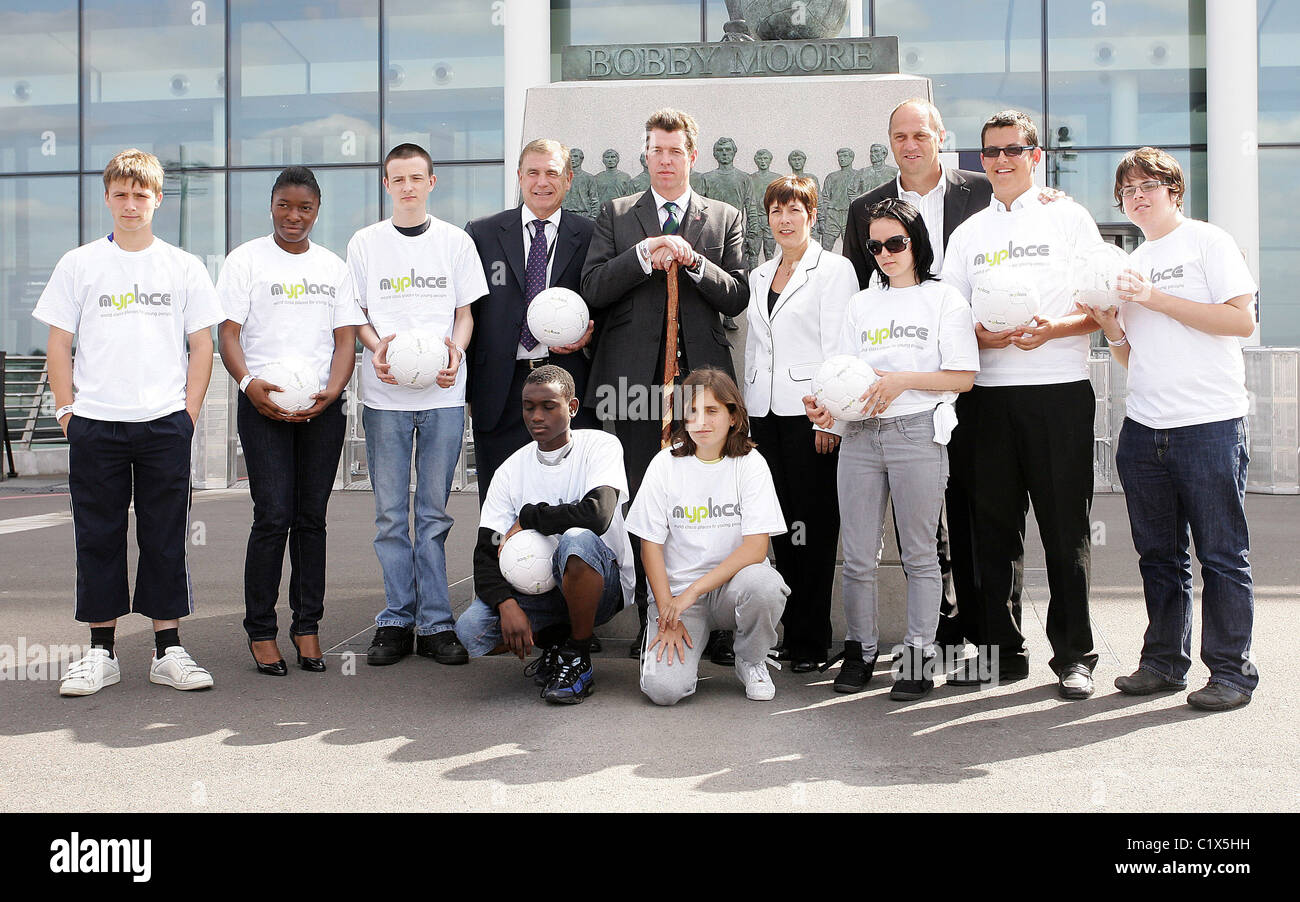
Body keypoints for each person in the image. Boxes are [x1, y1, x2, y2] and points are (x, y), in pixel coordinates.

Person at [36, 148, 224, 697]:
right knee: (99, 535)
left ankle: (168, 650)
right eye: (120, 194)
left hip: (164, 422)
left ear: (158, 199)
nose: (131, 204)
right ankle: (101, 651)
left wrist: (187, 415)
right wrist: (67, 411)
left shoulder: (183, 266)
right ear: (107, 198)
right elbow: (60, 341)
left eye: (141, 194)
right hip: (95, 424)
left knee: (165, 538)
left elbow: (201, 344)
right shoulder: (79, 264)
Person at [1080, 147, 1259, 711]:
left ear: (1174, 190)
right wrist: (1112, 326)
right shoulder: (1132, 259)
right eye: (1127, 188)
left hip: (1209, 424)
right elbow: (1138, 358)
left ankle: (1231, 672)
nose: (1137, 194)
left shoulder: (1208, 241)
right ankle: (1163, 662)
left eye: (1148, 184)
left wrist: (1154, 298)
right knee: (1159, 557)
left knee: (1222, 554)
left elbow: (1241, 320)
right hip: (1145, 427)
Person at [941, 109, 1106, 699]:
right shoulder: (967, 235)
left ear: (1036, 155)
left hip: (1058, 394)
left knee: (1066, 531)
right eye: (991, 152)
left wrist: (1054, 329)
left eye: (1013, 149)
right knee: (992, 536)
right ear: (980, 161)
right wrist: (985, 337)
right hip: (985, 401)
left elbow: (1103, 309)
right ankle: (1000, 654)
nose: (1002, 160)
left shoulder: (1070, 218)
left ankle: (1075, 655)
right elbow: (950, 320)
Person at [581, 107, 749, 660]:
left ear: (692, 156)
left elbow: (738, 295)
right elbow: (594, 289)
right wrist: (641, 257)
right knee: (647, 501)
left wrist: (694, 261)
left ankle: (718, 623)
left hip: (702, 389)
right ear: (645, 155)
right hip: (633, 388)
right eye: (656, 149)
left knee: (712, 498)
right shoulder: (616, 214)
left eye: (676, 150)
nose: (666, 159)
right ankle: (650, 615)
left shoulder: (722, 217)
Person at [805, 199, 978, 699]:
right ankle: (859, 650)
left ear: (916, 241)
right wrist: (828, 414)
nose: (885, 253)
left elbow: (963, 377)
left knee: (920, 554)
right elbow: (842, 375)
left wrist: (902, 381)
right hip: (860, 436)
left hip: (918, 432)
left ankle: (919, 655)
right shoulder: (862, 303)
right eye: (874, 246)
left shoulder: (944, 300)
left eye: (895, 242)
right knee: (857, 555)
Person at [217, 165, 365, 675]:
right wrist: (247, 385)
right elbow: (229, 333)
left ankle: (307, 626)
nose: (294, 216)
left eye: (304, 208)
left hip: (322, 407)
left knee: (311, 519)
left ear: (317, 211)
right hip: (264, 406)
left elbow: (345, 339)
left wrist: (335, 390)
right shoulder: (245, 261)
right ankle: (260, 630)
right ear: (272, 206)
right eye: (285, 205)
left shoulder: (333, 267)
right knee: (273, 515)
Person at [348, 143, 487, 667]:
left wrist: (457, 352)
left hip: (444, 396)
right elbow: (357, 314)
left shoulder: (455, 242)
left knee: (432, 512)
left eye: (416, 178)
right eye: (397, 179)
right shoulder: (365, 244)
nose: (407, 187)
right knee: (389, 514)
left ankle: (434, 622)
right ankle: (395, 619)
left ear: (432, 182)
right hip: (386, 399)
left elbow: (465, 313)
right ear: (387, 185)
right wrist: (374, 346)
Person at [454, 366, 634, 704]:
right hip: (538, 595)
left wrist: (529, 516)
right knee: (471, 631)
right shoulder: (510, 470)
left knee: (577, 539)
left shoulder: (601, 446)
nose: (536, 416)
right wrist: (506, 605)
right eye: (528, 406)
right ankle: (555, 645)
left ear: (573, 407)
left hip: (602, 586)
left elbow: (598, 514)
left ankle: (578, 656)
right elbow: (487, 549)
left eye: (549, 406)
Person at [743, 175, 857, 672]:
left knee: (813, 525)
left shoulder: (835, 270)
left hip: (811, 415)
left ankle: (813, 638)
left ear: (812, 215)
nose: (785, 220)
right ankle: (791, 633)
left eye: (795, 211)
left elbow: (841, 346)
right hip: (764, 417)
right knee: (780, 527)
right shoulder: (758, 274)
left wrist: (833, 417)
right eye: (776, 211)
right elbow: (754, 346)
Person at [628, 368, 790, 704]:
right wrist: (666, 608)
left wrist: (695, 591)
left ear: (733, 416)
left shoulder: (750, 463)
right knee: (663, 692)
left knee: (765, 584)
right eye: (692, 411)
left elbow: (756, 548)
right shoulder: (665, 464)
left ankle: (751, 658)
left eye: (712, 411)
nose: (701, 421)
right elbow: (650, 547)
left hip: (733, 590)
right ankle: (682, 657)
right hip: (676, 597)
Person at [465, 138, 597, 504]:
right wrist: (470, 390)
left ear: (568, 179)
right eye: (533, 173)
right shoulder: (482, 233)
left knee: (567, 499)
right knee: (499, 501)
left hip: (568, 384)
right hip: (500, 390)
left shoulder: (591, 236)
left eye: (552, 173)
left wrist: (590, 334)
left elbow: (603, 303)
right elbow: (469, 314)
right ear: (520, 177)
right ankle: (497, 562)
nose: (542, 182)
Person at [820, 147, 865, 252]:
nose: (842, 159)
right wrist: (823, 217)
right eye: (840, 157)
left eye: (845, 156)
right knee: (826, 247)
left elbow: (864, 195)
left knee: (851, 248)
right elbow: (825, 197)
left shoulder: (859, 175)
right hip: (832, 214)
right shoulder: (832, 177)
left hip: (849, 214)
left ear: (851, 158)